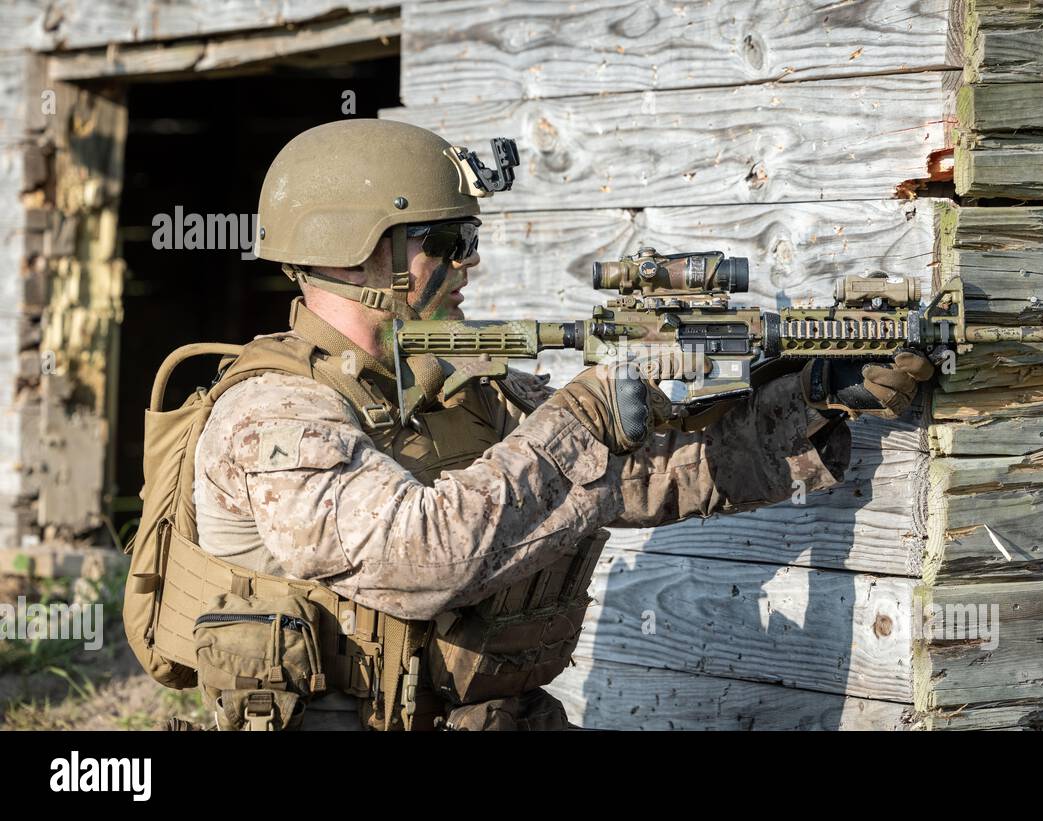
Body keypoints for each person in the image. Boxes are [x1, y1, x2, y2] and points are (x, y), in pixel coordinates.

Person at [182, 118, 933, 730]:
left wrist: (813, 396)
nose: (469, 265)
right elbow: (416, 557)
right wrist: (582, 412)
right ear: (357, 255)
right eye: (447, 243)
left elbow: (640, 480)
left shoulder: (464, 386)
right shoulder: (274, 414)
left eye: (469, 241)